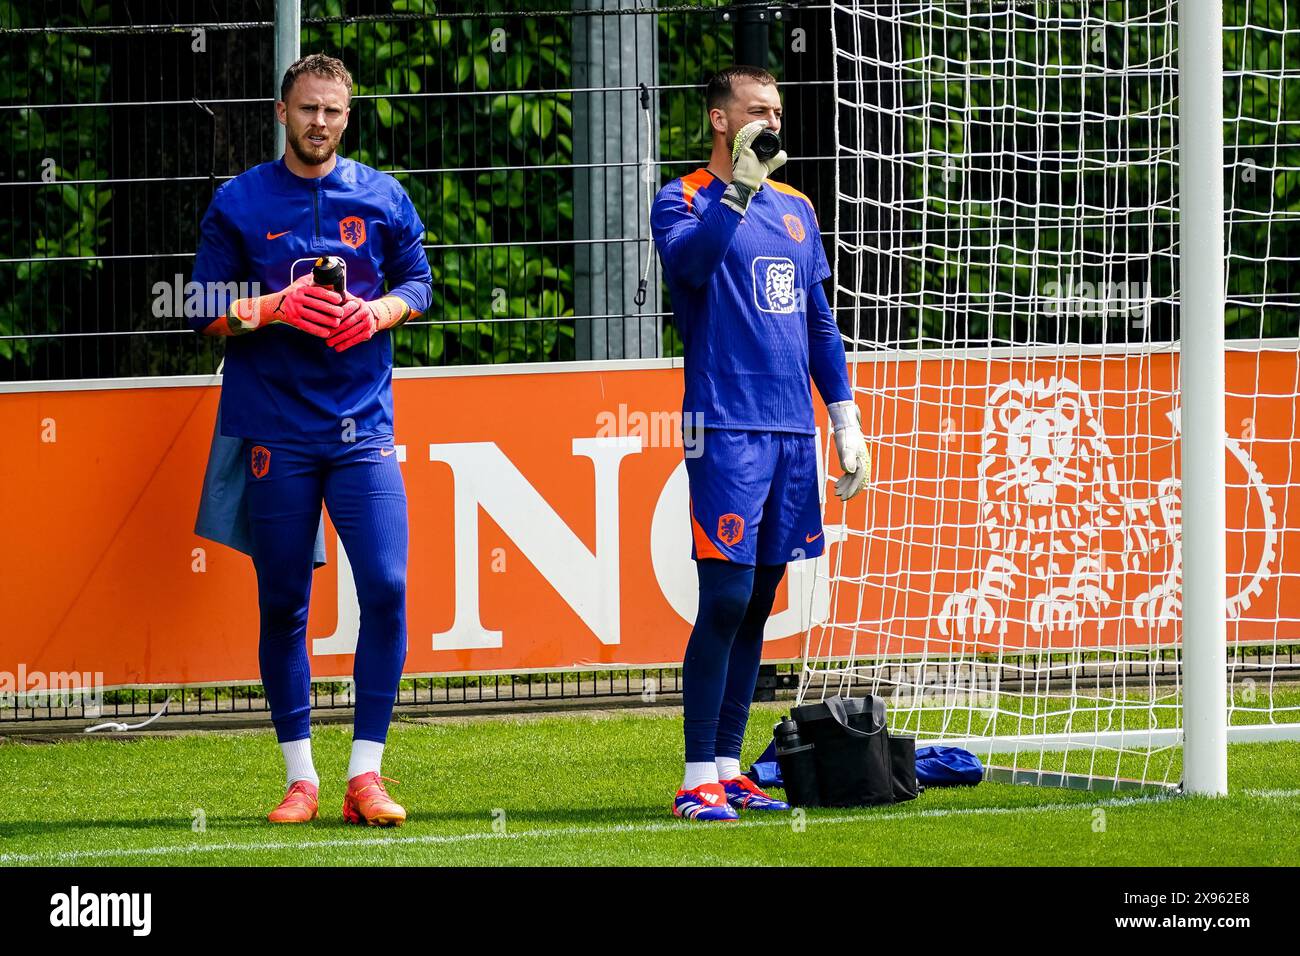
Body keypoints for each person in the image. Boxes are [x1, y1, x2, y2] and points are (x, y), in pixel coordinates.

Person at [189, 53, 432, 826]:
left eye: (332, 110)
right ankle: (302, 779)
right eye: (307, 109)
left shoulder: (383, 196)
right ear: (281, 111)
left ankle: (367, 776)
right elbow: (201, 306)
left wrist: (378, 313)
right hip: (275, 429)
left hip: (363, 428)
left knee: (387, 586)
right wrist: (275, 307)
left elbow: (419, 283)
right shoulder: (239, 201)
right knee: (285, 601)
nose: (319, 122)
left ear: (347, 118)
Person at [650, 66, 869, 821]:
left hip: (788, 430)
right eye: (756, 108)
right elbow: (690, 266)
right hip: (725, 427)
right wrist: (738, 187)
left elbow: (817, 321)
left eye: (777, 108)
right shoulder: (682, 199)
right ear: (720, 119)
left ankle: (726, 766)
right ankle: (692, 777)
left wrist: (843, 418)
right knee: (727, 595)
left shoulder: (800, 209)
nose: (771, 118)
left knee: (761, 601)